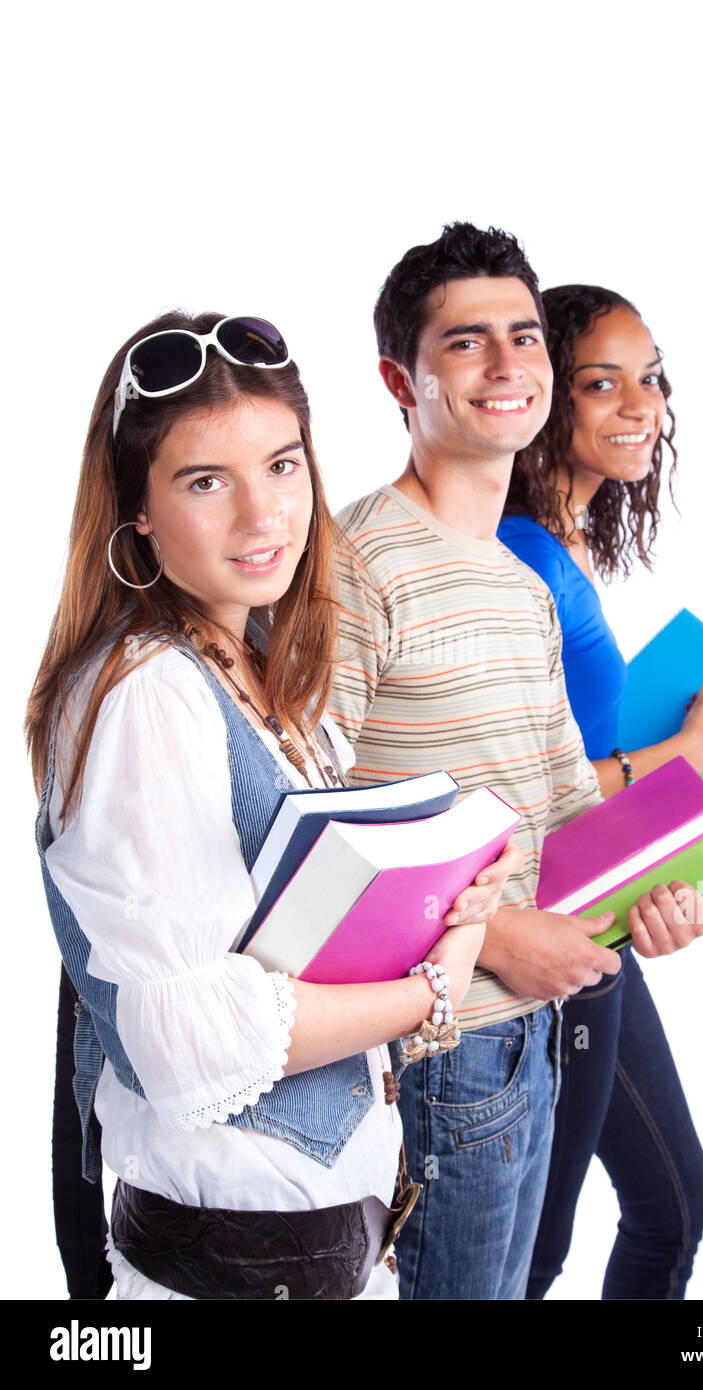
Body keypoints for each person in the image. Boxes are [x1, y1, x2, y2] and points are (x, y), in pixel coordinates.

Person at [27, 310, 515, 1301]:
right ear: (138, 515)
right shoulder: (150, 695)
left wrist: (439, 900)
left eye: (282, 465)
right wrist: (435, 986)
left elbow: (276, 948)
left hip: (318, 1257)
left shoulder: (247, 667)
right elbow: (185, 1043)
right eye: (207, 481)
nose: (263, 517)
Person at [328, 225, 703, 1301]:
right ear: (398, 380)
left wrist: (667, 888)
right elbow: (302, 833)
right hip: (439, 1044)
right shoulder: (350, 565)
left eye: (522, 336)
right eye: (466, 343)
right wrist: (502, 931)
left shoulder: (512, 584)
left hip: (531, 1033)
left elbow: (557, 819)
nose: (507, 365)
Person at [498, 284, 703, 1299]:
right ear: (541, 402)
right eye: (599, 381)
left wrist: (696, 810)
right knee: (532, 1248)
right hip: (542, 942)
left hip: (592, 925)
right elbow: (528, 788)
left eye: (648, 377)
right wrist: (682, 760)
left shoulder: (561, 549)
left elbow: (582, 755)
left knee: (671, 1203)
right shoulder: (520, 556)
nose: (638, 402)